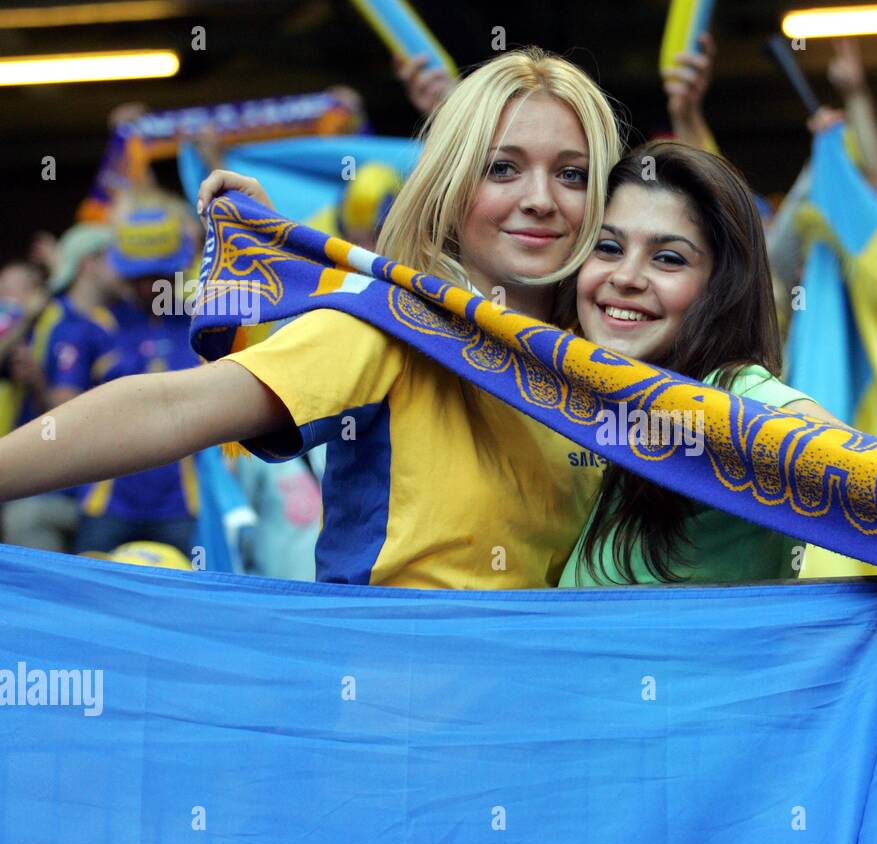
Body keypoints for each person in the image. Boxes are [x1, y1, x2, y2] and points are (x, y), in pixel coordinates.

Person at [0, 47, 623, 592]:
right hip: (396, 720)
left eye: (572, 173)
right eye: (503, 167)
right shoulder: (394, 328)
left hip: (558, 721)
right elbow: (171, 408)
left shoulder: (620, 368)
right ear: (448, 187)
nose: (541, 198)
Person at [558, 142, 831, 588]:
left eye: (668, 258)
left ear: (720, 288)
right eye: (608, 247)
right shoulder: (605, 404)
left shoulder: (735, 391)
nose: (625, 277)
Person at [74, 192, 204, 555]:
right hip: (108, 502)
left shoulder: (201, 324)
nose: (149, 287)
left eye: (159, 275)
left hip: (183, 504)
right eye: (139, 277)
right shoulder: (97, 327)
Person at [1, 224, 120, 552]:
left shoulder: (115, 318)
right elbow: (64, 407)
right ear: (88, 263)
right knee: (41, 600)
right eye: (113, 256)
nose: (123, 264)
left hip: (97, 501)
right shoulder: (46, 317)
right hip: (40, 495)